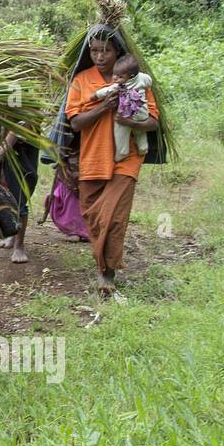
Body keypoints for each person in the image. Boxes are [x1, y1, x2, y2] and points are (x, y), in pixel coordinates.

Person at [63, 26, 160, 295]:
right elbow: (75, 123)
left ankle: (108, 274)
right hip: (92, 159)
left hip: (126, 158)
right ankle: (102, 263)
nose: (99, 56)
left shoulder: (137, 79)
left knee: (115, 218)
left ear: (118, 51)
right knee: (94, 217)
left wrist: (127, 120)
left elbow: (152, 121)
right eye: (94, 50)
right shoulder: (82, 80)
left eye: (106, 50)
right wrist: (105, 106)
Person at [0, 132, 40, 263]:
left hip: (22, 159)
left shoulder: (28, 112)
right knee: (4, 196)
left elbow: (15, 133)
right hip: (2, 158)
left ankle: (19, 246)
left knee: (19, 200)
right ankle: (11, 234)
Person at [93, 53, 154, 162]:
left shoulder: (119, 86)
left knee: (120, 132)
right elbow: (149, 81)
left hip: (126, 115)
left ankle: (122, 152)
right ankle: (143, 148)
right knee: (140, 133)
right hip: (142, 114)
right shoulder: (142, 77)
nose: (115, 78)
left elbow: (105, 91)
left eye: (120, 76)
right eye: (115, 74)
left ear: (130, 77)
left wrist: (94, 96)